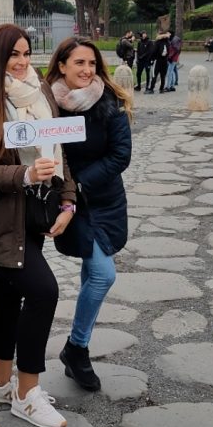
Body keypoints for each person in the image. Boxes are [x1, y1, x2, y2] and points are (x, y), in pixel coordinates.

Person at [0, 24, 76, 427]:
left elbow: (59, 147)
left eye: (26, 53)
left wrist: (68, 199)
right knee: (44, 292)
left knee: (10, 292)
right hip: (1, 216)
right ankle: (26, 395)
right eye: (13, 55)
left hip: (39, 209)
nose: (22, 62)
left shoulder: (39, 89)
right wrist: (25, 175)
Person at [46, 37, 132, 391]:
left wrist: (80, 183)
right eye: (79, 63)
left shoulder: (108, 102)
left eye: (92, 64)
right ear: (62, 65)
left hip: (104, 199)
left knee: (94, 273)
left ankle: (75, 348)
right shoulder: (46, 105)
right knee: (102, 275)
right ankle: (77, 349)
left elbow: (120, 155)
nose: (86, 70)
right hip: (69, 203)